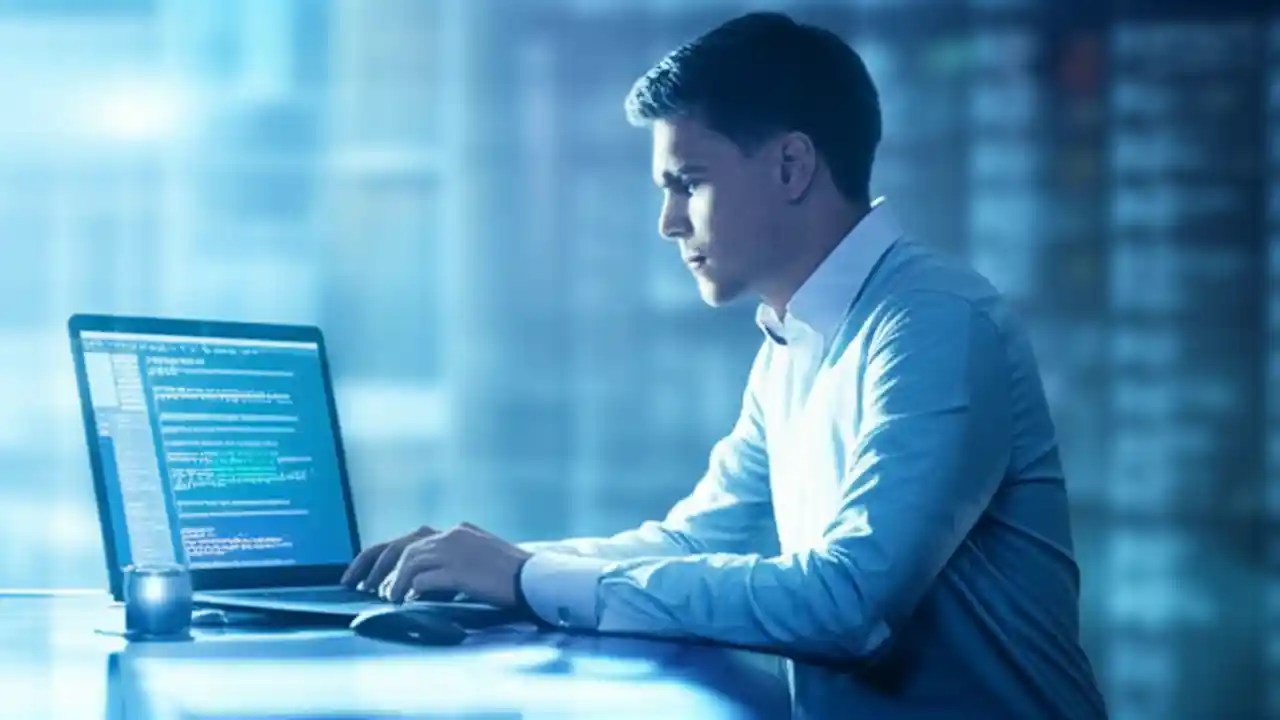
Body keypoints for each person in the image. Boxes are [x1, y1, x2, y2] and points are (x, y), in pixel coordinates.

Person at [342, 12, 1106, 718]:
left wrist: (525, 580)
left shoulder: (934, 323)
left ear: (791, 166)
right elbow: (694, 542)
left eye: (689, 182)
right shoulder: (794, 341)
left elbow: (850, 603)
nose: (670, 223)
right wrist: (489, 562)